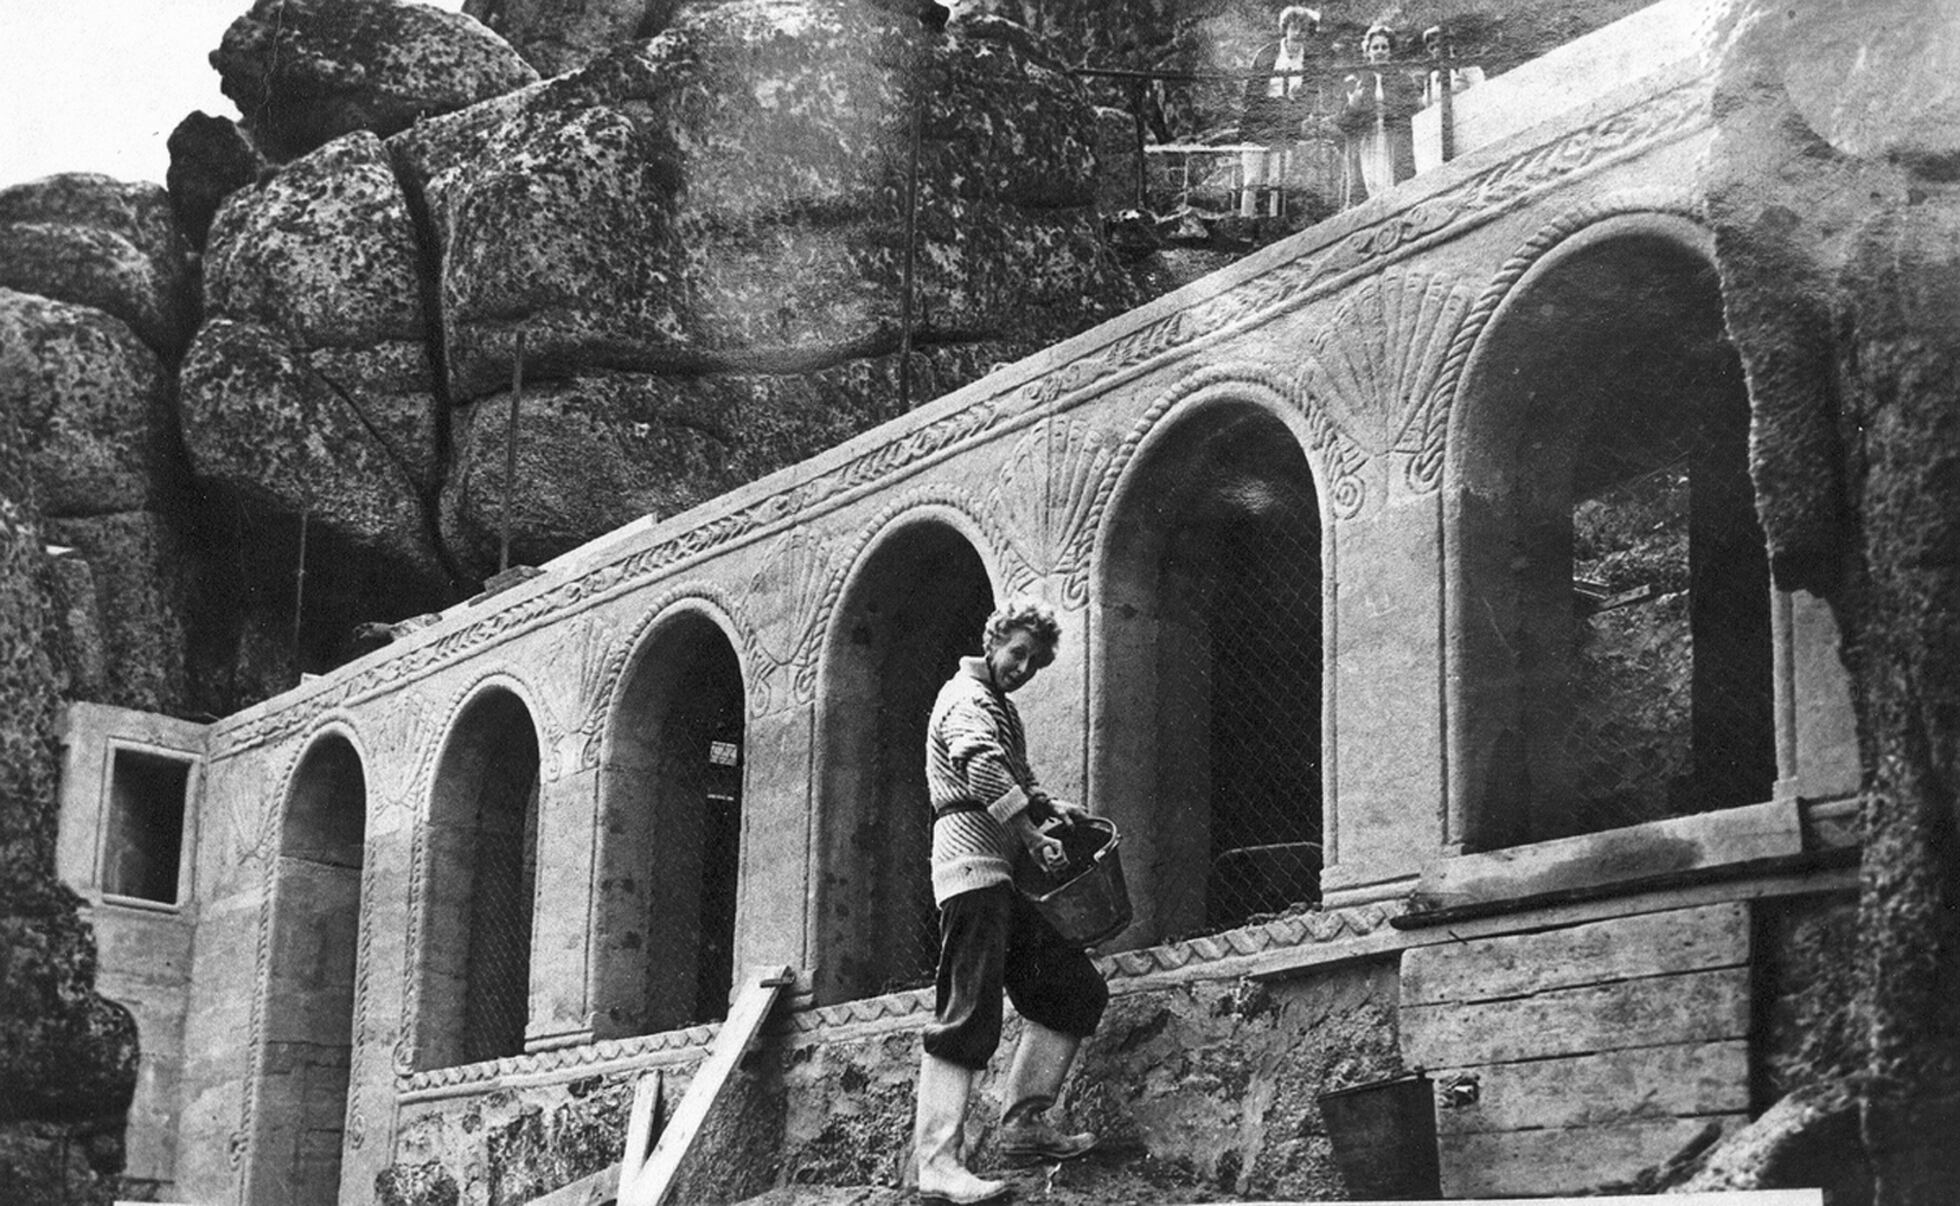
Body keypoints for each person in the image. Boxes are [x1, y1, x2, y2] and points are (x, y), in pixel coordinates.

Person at [912, 598, 1109, 1205]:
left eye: (1034, 662)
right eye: (1016, 652)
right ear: (992, 639)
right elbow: (979, 764)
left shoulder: (999, 705)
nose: (1022, 667)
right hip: (970, 871)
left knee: (1073, 987)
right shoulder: (964, 698)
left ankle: (1024, 1127)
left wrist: (1051, 809)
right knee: (968, 1011)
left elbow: (1015, 775)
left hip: (999, 878)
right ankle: (937, 1163)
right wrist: (1028, 831)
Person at [1238, 6, 1322, 218]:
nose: (1298, 34)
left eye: (1304, 29)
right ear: (1285, 28)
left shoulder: (1310, 62)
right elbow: (1251, 95)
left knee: (1277, 180)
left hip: (1287, 122)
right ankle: (1245, 222)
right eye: (1294, 28)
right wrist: (1281, 102)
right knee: (1251, 180)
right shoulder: (1267, 55)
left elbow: (1308, 100)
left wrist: (1294, 108)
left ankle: (1274, 224)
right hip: (1259, 120)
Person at [1338, 22, 1421, 207]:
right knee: (1370, 187)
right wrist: (1353, 105)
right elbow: (1343, 123)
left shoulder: (1402, 79)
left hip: (1394, 140)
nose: (1380, 51)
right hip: (1367, 141)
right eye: (1375, 47)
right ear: (1367, 52)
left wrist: (1393, 111)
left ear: (1390, 51)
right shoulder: (1356, 81)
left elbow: (1414, 110)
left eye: (1385, 47)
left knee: (1394, 184)